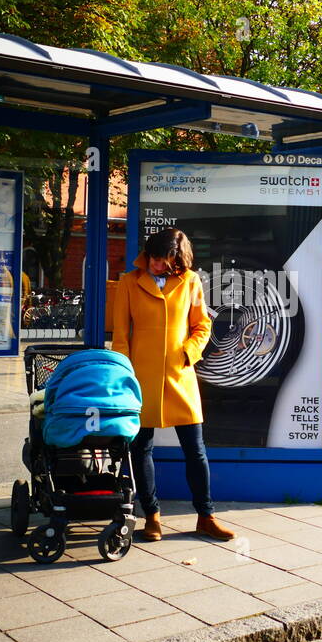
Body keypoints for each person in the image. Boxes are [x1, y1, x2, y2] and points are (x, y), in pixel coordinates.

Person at [111, 228, 235, 542]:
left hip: (180, 376)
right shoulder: (129, 282)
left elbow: (202, 325)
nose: (156, 264)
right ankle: (151, 516)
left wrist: (188, 353)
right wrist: (124, 375)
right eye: (153, 257)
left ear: (177, 258)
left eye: (163, 259)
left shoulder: (190, 281)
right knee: (141, 449)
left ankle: (206, 516)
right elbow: (121, 336)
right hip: (140, 379)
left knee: (196, 451)